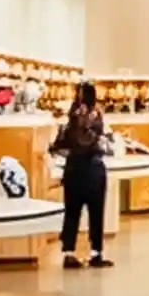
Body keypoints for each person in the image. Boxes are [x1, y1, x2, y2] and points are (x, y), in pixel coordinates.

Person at [50, 82, 112, 269]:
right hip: (93, 170)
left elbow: (60, 145)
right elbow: (99, 141)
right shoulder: (97, 116)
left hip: (73, 170)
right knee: (96, 212)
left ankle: (69, 252)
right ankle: (96, 253)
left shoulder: (70, 118)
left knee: (71, 213)